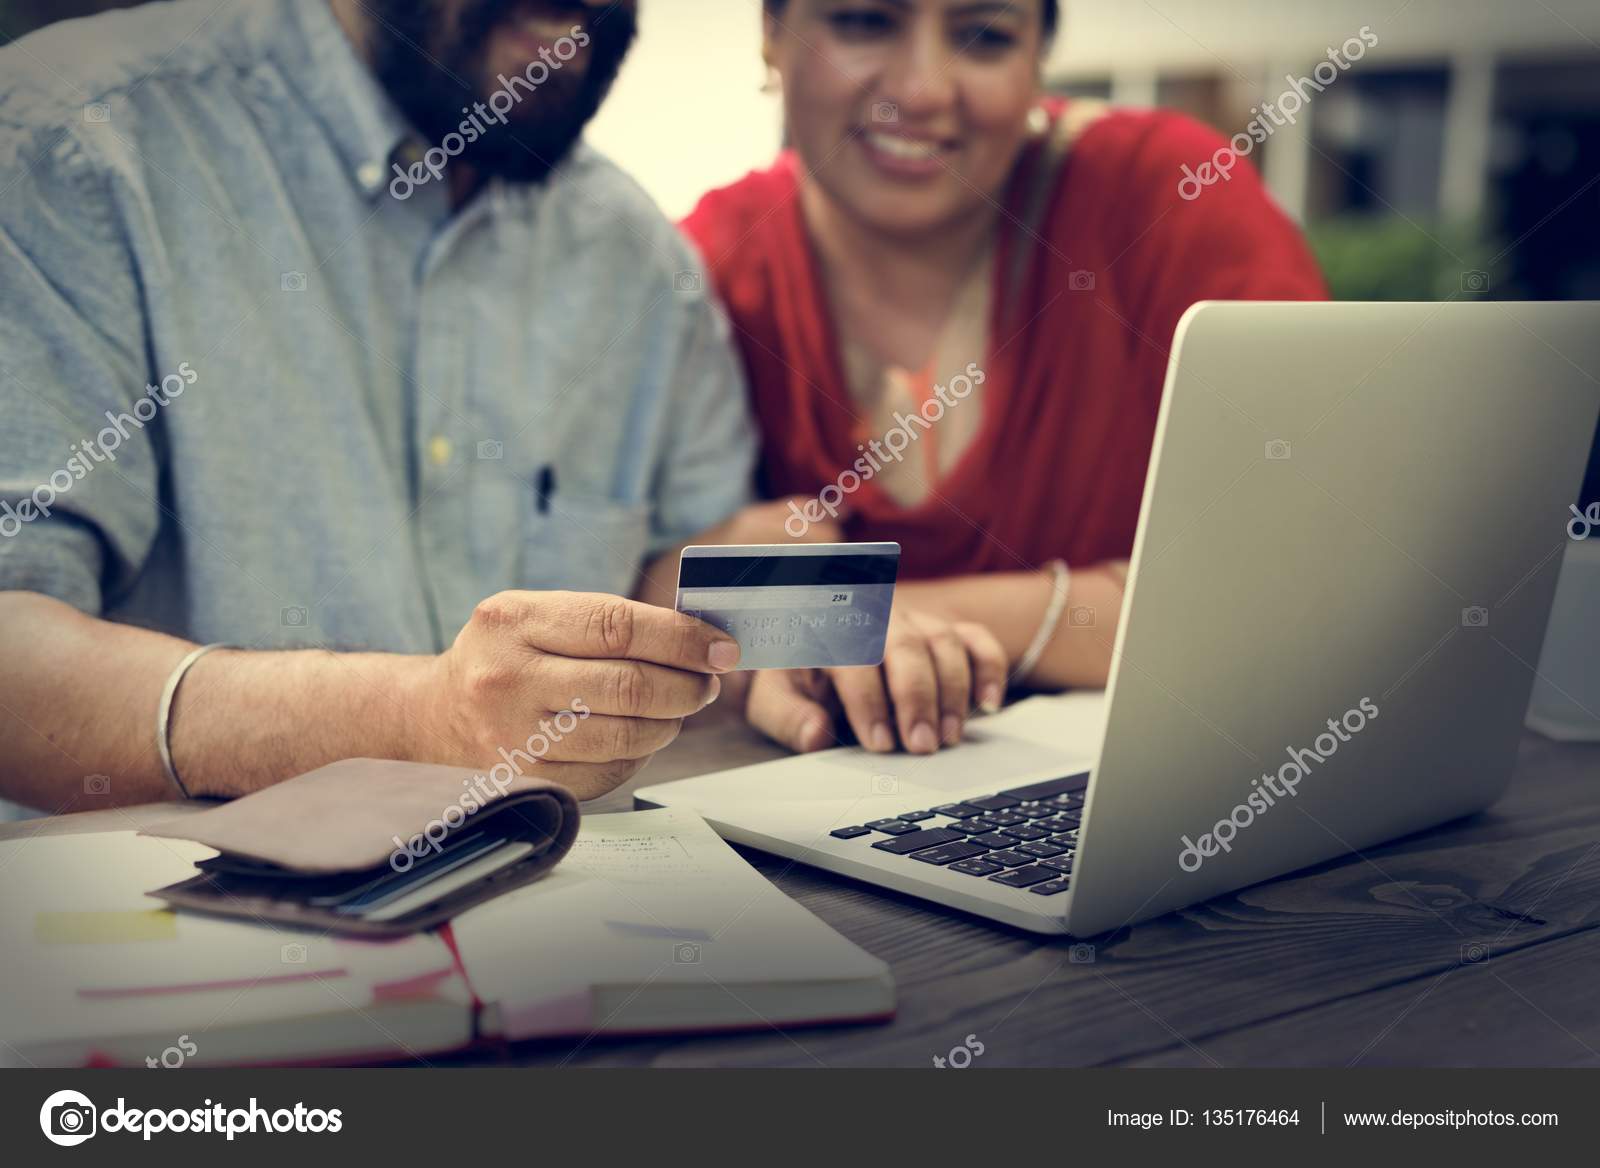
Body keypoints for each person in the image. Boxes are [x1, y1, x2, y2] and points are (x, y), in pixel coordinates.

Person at [683, 0, 1329, 753]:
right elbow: (645, 598)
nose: (923, 90)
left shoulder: (1171, 200)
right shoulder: (701, 272)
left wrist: (831, 616)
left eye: (985, 37)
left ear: (1038, 60)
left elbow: (1309, 586)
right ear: (770, 37)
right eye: (863, 21)